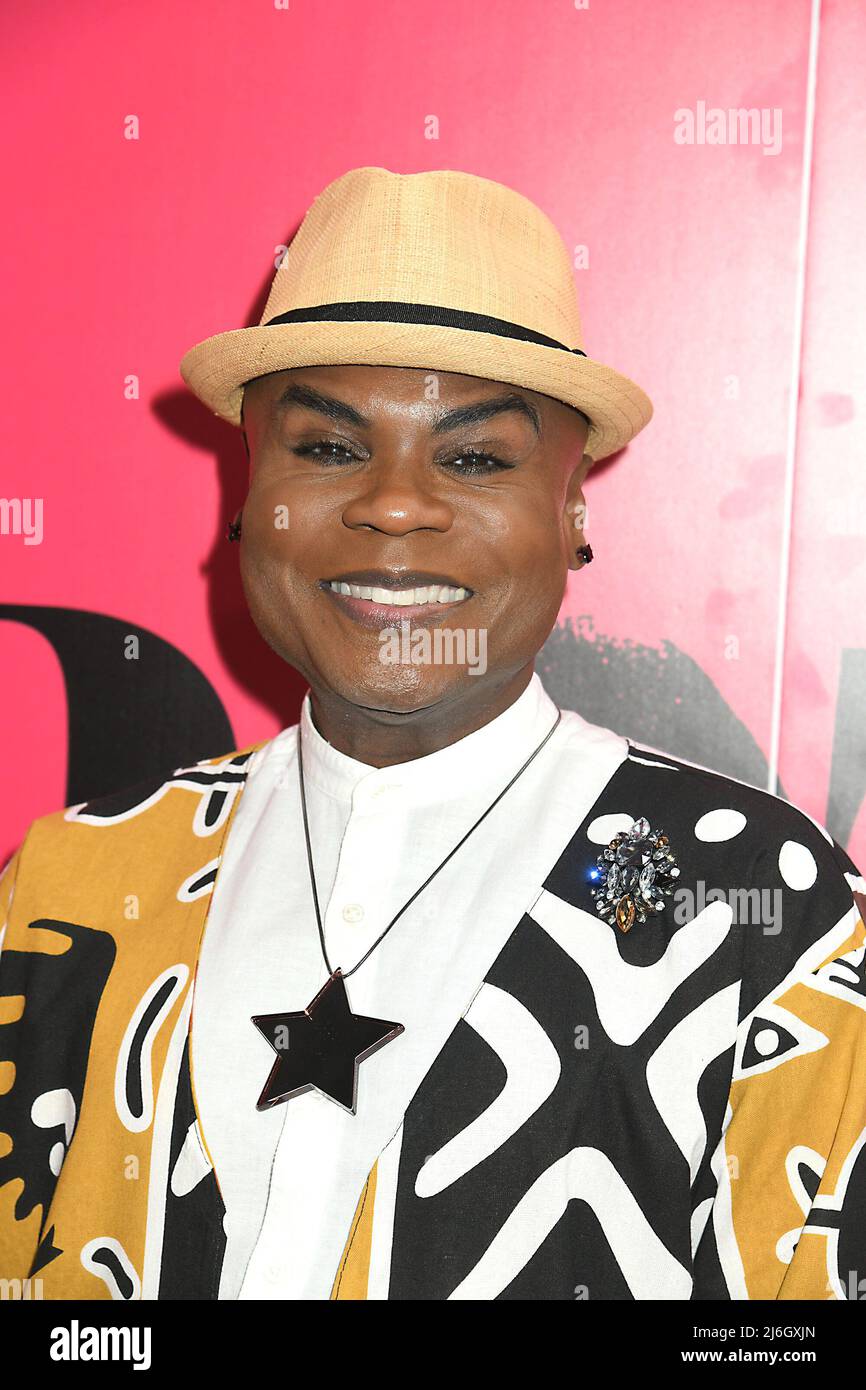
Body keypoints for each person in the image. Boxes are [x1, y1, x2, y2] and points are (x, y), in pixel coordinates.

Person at [1, 167, 864, 1302]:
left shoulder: (754, 897)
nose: (395, 505)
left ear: (572, 510)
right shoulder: (75, 874)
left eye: (472, 458)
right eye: (324, 447)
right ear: (245, 489)